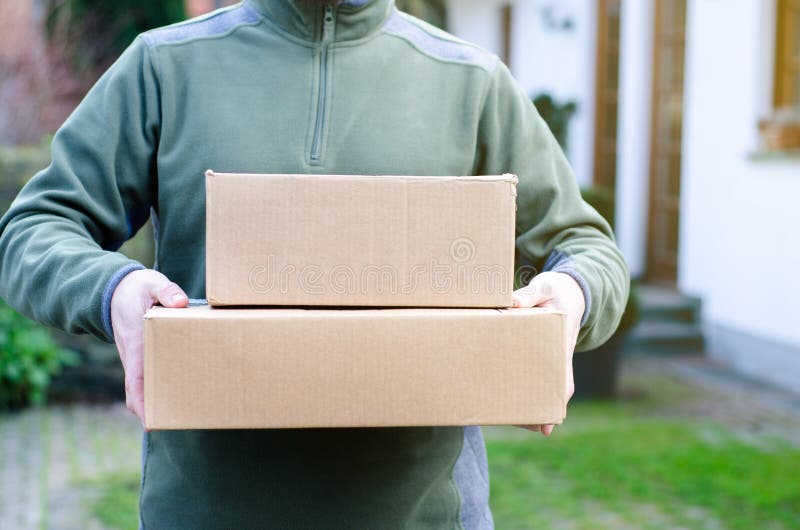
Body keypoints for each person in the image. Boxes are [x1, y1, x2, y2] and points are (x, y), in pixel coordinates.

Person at [0, 0, 629, 527]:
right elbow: (33, 229)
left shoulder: (472, 82)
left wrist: (571, 294)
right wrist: (113, 289)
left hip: (425, 516)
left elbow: (588, 247)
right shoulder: (166, 67)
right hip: (205, 513)